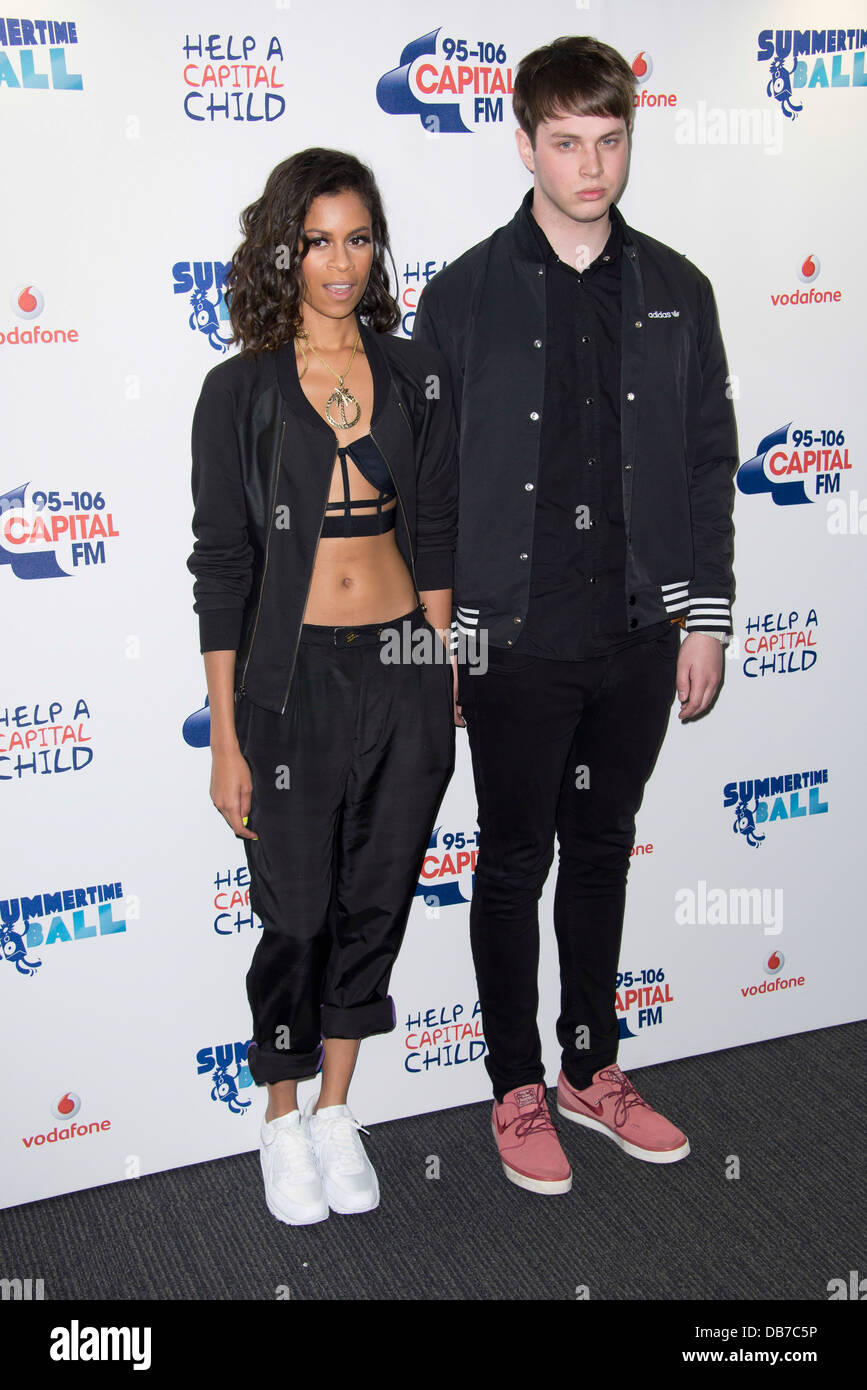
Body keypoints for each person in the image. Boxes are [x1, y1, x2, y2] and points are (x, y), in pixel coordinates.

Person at [413, 36, 737, 1194]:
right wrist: (443, 635)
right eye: (566, 143)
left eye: (609, 141)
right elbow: (431, 492)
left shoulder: (678, 290)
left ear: (628, 138)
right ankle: (513, 1083)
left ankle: (592, 1069)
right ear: (525, 144)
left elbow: (708, 466)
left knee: (602, 848)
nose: (591, 166)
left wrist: (706, 620)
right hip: (512, 638)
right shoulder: (459, 299)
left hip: (641, 634)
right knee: (512, 861)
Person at [188, 149, 458, 1224]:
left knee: (374, 900)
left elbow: (435, 532)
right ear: (284, 250)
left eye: (357, 238)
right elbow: (223, 565)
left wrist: (440, 675)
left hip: (401, 666)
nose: (339, 263)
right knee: (294, 911)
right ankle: (280, 1117)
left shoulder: (413, 373)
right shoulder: (239, 390)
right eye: (317, 241)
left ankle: (338, 1112)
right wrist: (225, 732)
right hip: (288, 682)